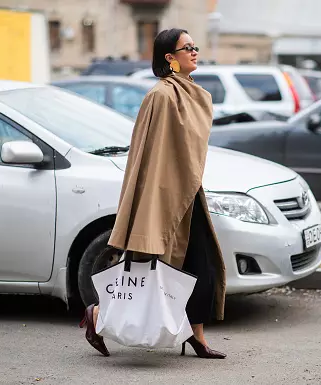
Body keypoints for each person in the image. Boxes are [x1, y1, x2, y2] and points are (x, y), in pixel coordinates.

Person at [79, 28, 227, 359]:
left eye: (195, 46)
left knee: (202, 265)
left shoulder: (192, 94)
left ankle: (197, 336)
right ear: (169, 58)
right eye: (186, 48)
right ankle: (98, 315)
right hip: (161, 198)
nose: (194, 51)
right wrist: (148, 205)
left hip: (188, 193)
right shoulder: (160, 96)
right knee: (148, 270)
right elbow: (149, 157)